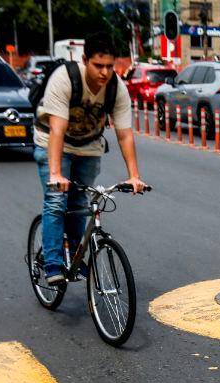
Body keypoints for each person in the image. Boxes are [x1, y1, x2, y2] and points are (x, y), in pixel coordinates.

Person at [33, 32, 146, 286]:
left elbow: (125, 135)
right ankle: (52, 263)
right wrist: (55, 173)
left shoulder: (116, 88)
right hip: (52, 143)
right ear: (85, 60)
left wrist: (134, 176)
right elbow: (57, 130)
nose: (105, 72)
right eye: (98, 65)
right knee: (56, 200)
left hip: (89, 147)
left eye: (109, 66)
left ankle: (75, 255)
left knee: (81, 202)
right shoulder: (65, 79)